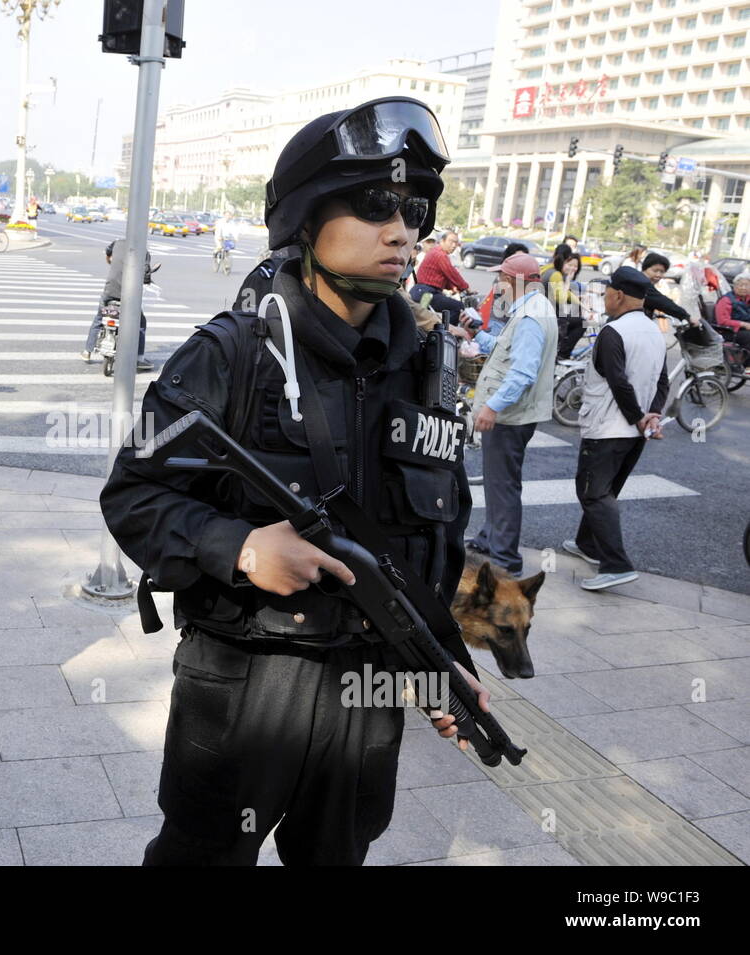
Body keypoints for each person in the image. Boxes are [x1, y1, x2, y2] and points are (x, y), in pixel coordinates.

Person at [101, 96, 486, 866]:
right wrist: (241, 548)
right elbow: (133, 495)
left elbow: (439, 533)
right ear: (306, 218)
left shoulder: (426, 368)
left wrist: (444, 658)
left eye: (413, 211)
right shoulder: (231, 355)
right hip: (247, 681)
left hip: (369, 687)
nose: (401, 230)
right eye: (374, 205)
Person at [563, 267, 668, 591]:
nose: (604, 298)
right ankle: (588, 544)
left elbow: (618, 382)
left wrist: (638, 416)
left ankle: (616, 564)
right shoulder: (654, 331)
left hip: (608, 428)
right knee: (605, 490)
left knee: (593, 492)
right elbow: (662, 381)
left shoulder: (614, 331)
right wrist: (651, 416)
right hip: (635, 434)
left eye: (607, 292)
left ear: (618, 295)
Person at [462, 253, 559, 577]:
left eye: (501, 278)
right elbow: (507, 350)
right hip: (516, 415)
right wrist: (476, 334)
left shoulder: (530, 317)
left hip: (511, 417)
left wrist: (492, 407)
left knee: (502, 485)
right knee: (497, 482)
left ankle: (505, 558)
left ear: (512, 280)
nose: (498, 284)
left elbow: (522, 373)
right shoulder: (535, 309)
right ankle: (490, 540)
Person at [81, 238, 154, 372]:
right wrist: (147, 279)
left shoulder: (117, 243)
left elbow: (108, 254)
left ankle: (87, 351)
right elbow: (145, 275)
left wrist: (112, 261)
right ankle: (139, 358)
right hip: (129, 296)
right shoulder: (143, 251)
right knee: (140, 323)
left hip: (109, 290)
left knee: (99, 318)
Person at [408, 229, 469, 323]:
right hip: (426, 293)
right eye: (451, 242)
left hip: (423, 291)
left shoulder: (436, 253)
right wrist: (466, 288)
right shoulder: (440, 255)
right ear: (442, 241)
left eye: (456, 243)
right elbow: (452, 273)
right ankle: (447, 330)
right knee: (458, 306)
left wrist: (453, 288)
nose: (454, 245)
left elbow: (443, 276)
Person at [548, 249, 586, 359]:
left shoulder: (557, 273)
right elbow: (562, 300)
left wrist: (582, 305)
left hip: (552, 312)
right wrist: (568, 281)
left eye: (575, 266)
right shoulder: (557, 275)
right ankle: (562, 354)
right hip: (551, 315)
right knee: (582, 323)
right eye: (570, 264)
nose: (573, 268)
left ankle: (561, 351)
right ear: (562, 262)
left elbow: (567, 294)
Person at [637, 252, 690, 325]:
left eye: (662, 272)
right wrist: (686, 316)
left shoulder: (642, 281)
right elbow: (661, 301)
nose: (658, 275)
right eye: (655, 271)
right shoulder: (641, 283)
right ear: (644, 269)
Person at [714, 269, 750, 353]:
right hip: (729, 332)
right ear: (734, 286)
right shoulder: (726, 300)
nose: (743, 288)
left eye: (746, 285)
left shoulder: (747, 298)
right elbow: (722, 321)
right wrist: (743, 324)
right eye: (740, 285)